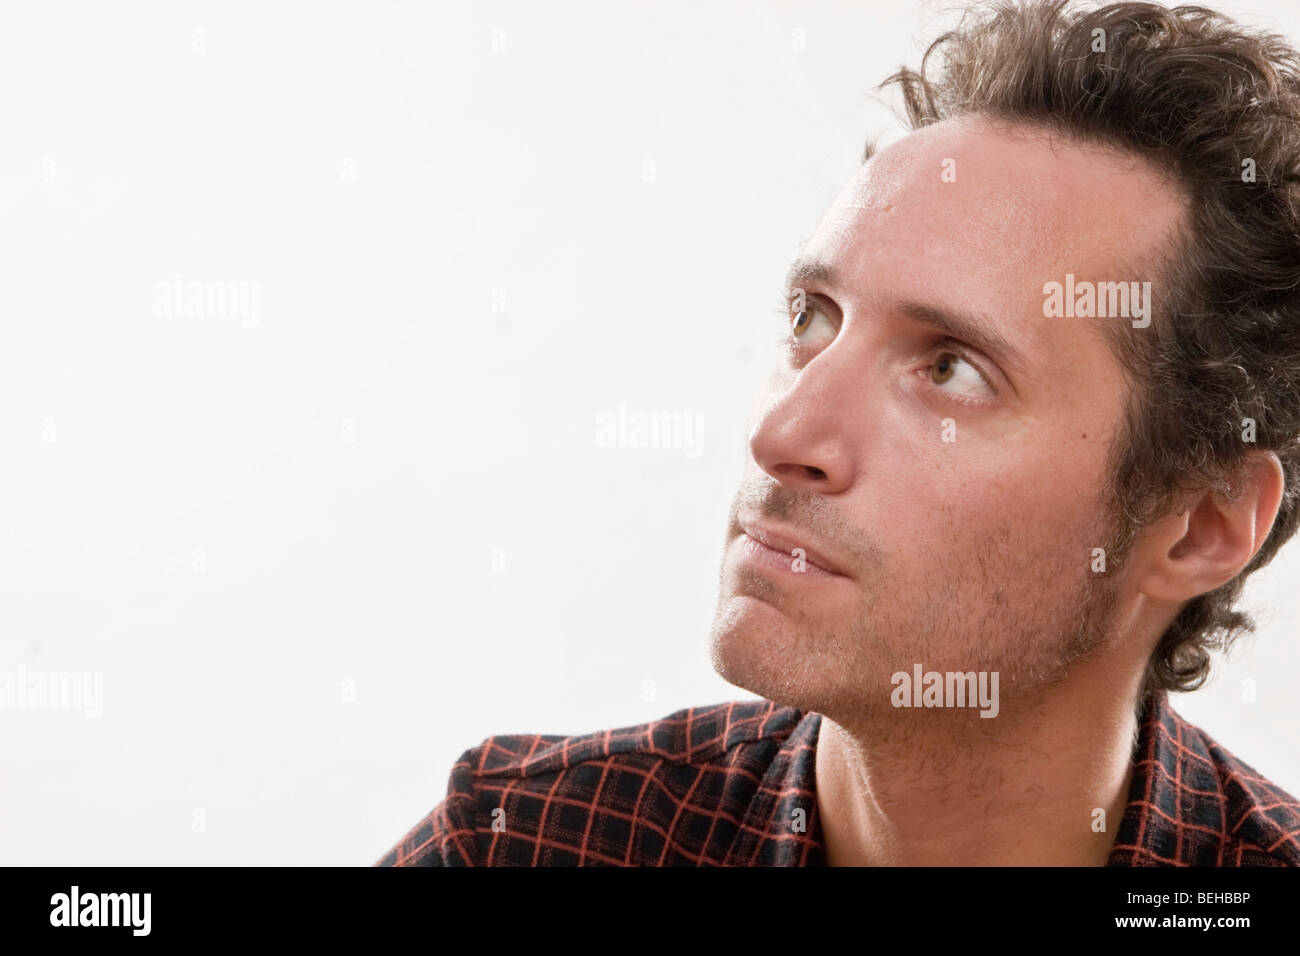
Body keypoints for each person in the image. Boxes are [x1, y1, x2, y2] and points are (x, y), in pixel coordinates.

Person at [376, 0, 1300, 866]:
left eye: (952, 369)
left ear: (1203, 525)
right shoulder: (522, 844)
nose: (783, 433)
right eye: (813, 318)